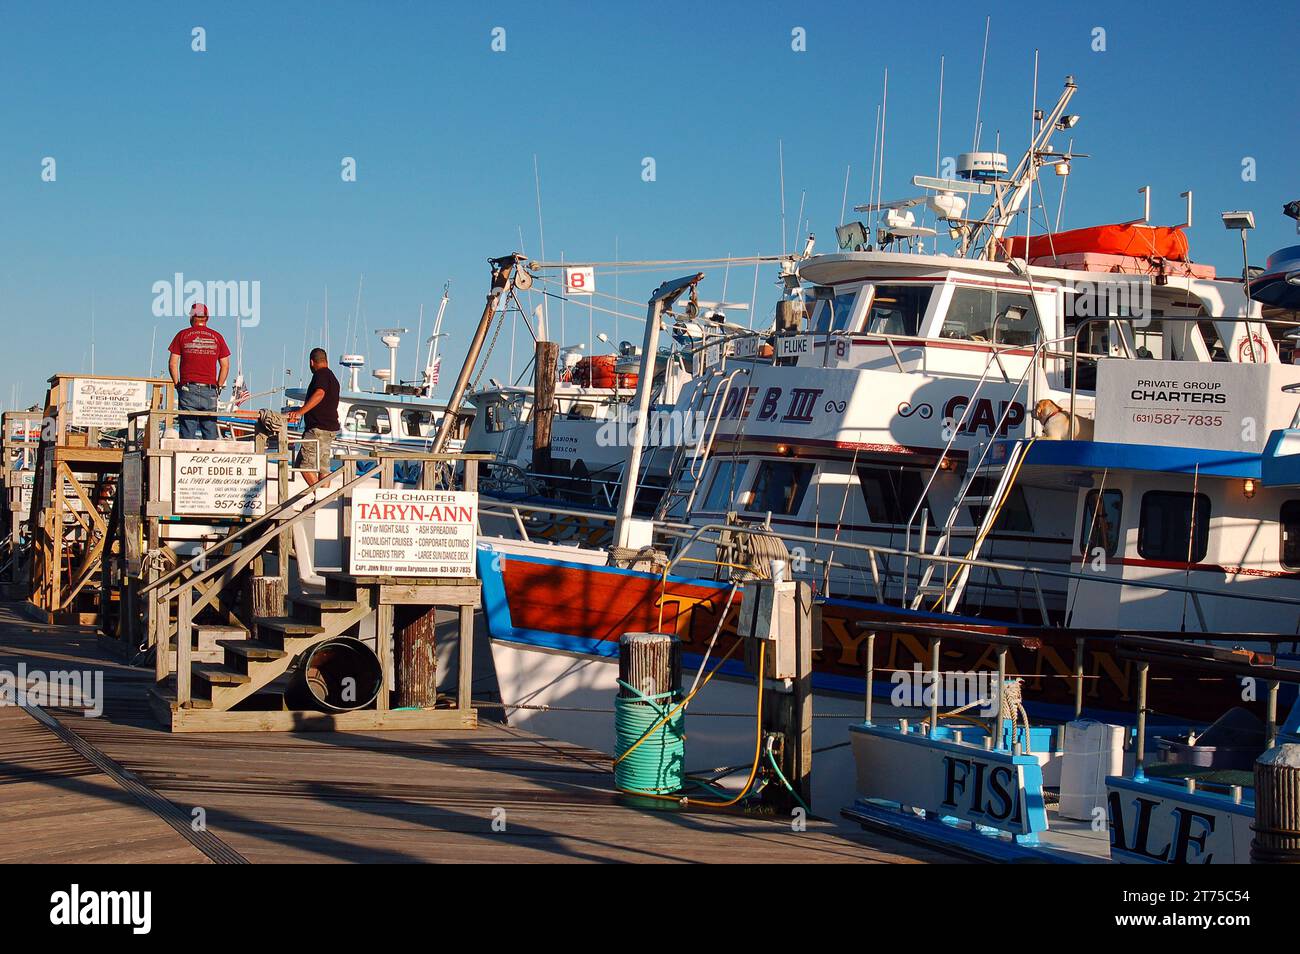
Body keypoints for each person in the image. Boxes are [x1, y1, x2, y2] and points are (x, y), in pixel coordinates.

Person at [167, 303, 230, 440]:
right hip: (210, 389)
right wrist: (218, 385)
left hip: (188, 388)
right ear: (207, 318)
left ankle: (186, 459)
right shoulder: (217, 337)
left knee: (187, 431)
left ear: (191, 317)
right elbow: (225, 365)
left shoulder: (182, 335)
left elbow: (172, 364)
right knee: (209, 430)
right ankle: (209, 458)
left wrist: (178, 384)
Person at [287, 348, 340, 486]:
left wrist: (300, 412)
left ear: (311, 362)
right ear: (326, 360)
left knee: (303, 465)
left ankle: (320, 498)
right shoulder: (333, 378)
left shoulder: (320, 375)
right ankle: (324, 502)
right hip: (329, 429)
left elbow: (320, 393)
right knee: (323, 469)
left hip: (317, 429)